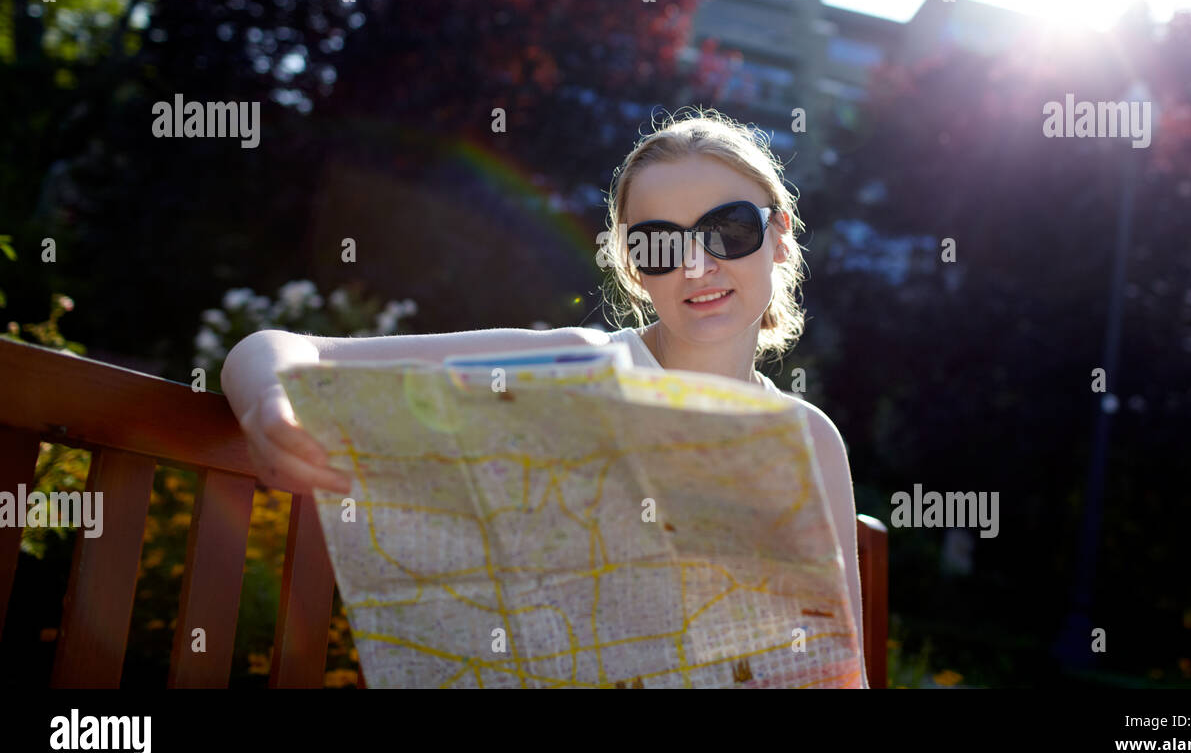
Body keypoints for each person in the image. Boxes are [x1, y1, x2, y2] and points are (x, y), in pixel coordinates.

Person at [221, 108, 867, 686]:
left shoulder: (810, 439)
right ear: (634, 269)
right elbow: (282, 350)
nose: (697, 266)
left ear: (780, 236)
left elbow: (844, 672)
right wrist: (264, 403)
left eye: (727, 229)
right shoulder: (579, 366)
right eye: (660, 245)